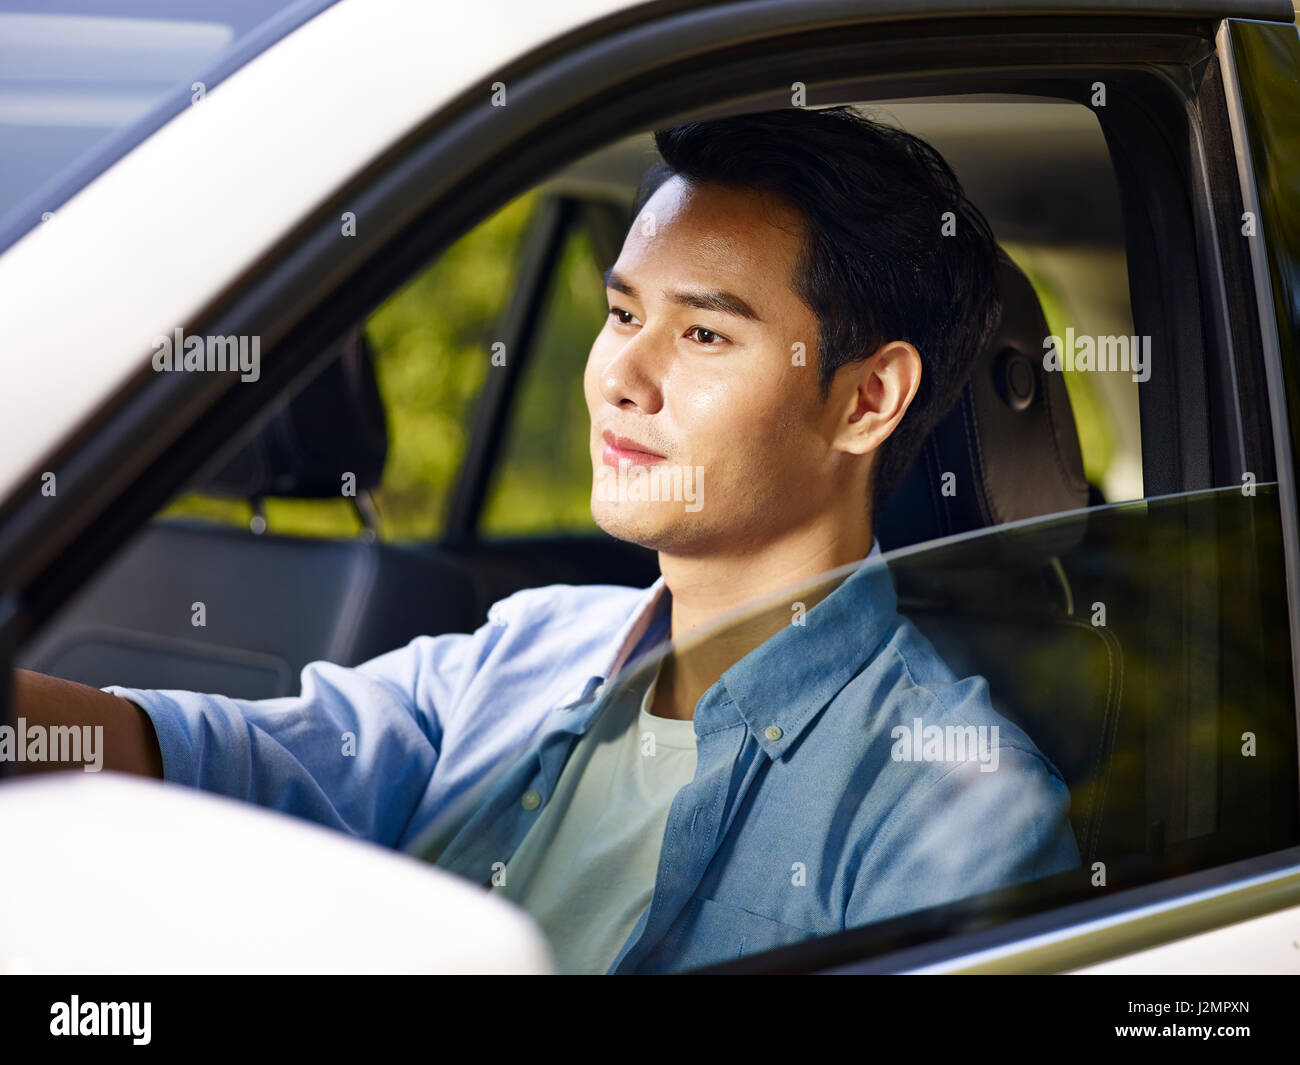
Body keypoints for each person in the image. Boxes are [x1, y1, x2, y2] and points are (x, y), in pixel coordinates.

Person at [12, 105, 1080, 973]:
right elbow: (225, 758)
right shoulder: (526, 648)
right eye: (623, 315)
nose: (620, 376)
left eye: (703, 333)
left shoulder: (955, 812)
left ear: (866, 400)